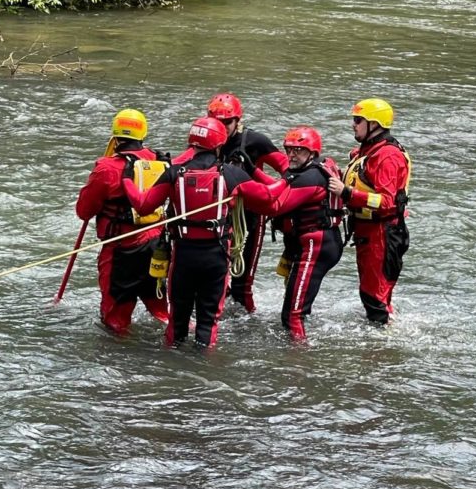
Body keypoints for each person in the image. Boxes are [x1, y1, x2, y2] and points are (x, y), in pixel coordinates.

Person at [122, 116, 287, 349]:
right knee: (207, 322)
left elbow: (142, 205)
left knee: (177, 321)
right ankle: (204, 374)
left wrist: (128, 179)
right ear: (219, 146)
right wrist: (287, 179)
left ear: (192, 144)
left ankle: (172, 368)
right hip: (216, 257)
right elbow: (269, 200)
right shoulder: (231, 173)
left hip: (183, 258)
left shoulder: (173, 173)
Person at [75, 108, 169, 334]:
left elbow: (84, 211)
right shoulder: (160, 161)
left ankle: (118, 360)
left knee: (115, 320)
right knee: (163, 311)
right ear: (142, 134)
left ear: (115, 135)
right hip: (158, 248)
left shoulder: (106, 168)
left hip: (120, 252)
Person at [250, 126, 344, 342]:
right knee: (292, 310)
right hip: (315, 243)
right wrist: (252, 170)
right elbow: (279, 185)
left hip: (317, 245)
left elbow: (274, 205)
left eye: (298, 150)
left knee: (293, 315)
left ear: (312, 153)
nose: (291, 155)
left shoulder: (310, 178)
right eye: (288, 149)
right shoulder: (305, 170)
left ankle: (298, 362)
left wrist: (242, 186)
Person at [327, 98, 412, 325]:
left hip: (382, 234)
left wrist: (347, 193)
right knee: (372, 293)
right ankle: (384, 328)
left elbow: (386, 202)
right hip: (369, 232)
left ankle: (380, 348)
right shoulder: (368, 151)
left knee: (374, 296)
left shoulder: (387, 156)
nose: (353, 125)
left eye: (358, 120)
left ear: (374, 124)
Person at [206, 92, 288, 313]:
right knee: (214, 278)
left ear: (238, 121)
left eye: (227, 122)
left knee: (242, 283)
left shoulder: (255, 142)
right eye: (217, 122)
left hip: (249, 217)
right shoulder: (206, 140)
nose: (222, 128)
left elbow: (289, 172)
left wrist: (254, 173)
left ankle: (247, 323)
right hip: (218, 217)